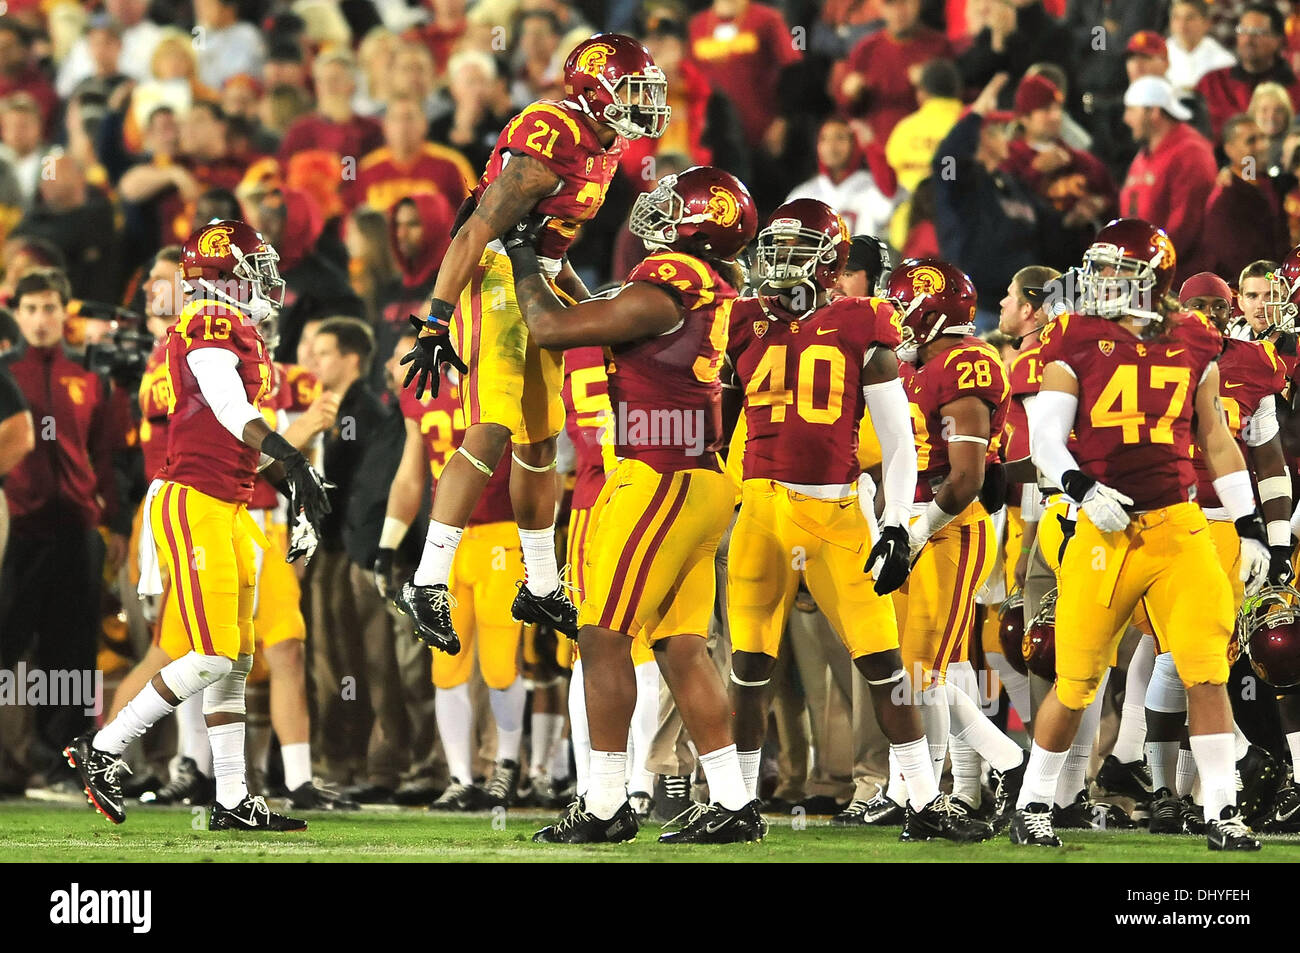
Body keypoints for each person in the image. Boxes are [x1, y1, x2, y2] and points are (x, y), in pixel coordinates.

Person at [723, 198, 992, 842]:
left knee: (884, 664)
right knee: (749, 665)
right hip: (760, 508)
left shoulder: (860, 322)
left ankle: (923, 800)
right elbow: (717, 423)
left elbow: (898, 442)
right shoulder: (740, 320)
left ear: (827, 260)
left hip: (837, 512)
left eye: (797, 248)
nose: (780, 262)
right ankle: (731, 802)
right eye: (776, 247)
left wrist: (898, 522)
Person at [508, 164, 760, 844]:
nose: (659, 212)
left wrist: (522, 254)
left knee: (601, 636)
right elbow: (597, 315)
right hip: (697, 478)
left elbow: (549, 329)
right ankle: (733, 801)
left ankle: (605, 802)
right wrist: (553, 266)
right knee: (681, 647)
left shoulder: (669, 288)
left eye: (677, 204)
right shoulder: (692, 290)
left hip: (659, 478)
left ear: (699, 222)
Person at [394, 35, 668, 654]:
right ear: (595, 89)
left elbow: (549, 244)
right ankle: (428, 579)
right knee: (492, 426)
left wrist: (582, 295)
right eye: (633, 89)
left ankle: (541, 582)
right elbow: (475, 233)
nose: (644, 103)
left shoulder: (603, 147)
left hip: (532, 281)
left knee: (541, 441)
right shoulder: (552, 138)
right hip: (490, 276)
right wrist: (435, 320)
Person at [63, 220, 329, 830]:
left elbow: (235, 438)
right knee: (207, 656)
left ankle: (232, 797)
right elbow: (233, 411)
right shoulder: (208, 323)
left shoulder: (240, 332)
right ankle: (102, 749)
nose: (266, 279)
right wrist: (290, 458)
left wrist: (295, 480)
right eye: (253, 267)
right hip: (193, 501)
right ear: (222, 276)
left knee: (234, 658)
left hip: (231, 503)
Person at [1014, 218, 1267, 851]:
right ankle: (1034, 803)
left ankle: (1221, 811)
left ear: (1152, 281)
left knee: (1206, 670)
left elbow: (1215, 436)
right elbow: (1046, 434)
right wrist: (1078, 487)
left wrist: (1251, 525)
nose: (1098, 282)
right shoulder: (1072, 335)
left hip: (1178, 524)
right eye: (1094, 268)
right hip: (1105, 528)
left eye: (1113, 271)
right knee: (1075, 680)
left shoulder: (1194, 339)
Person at [879, 257, 1030, 824]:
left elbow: (965, 477)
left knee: (923, 672)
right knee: (910, 671)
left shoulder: (967, 361)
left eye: (903, 307)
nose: (896, 319)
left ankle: (926, 800)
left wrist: (914, 533)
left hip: (950, 526)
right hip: (913, 523)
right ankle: (1003, 762)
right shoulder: (919, 364)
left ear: (931, 310)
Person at [0, 268, 129, 785]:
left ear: (65, 312)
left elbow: (107, 457)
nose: (39, 319)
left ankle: (66, 762)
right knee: (6, 647)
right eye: (30, 309)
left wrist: (115, 522)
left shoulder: (92, 377)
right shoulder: (5, 372)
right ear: (18, 313)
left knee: (73, 653)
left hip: (77, 528)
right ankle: (11, 760)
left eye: (49, 307)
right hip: (18, 528)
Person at [1119, 75, 1218, 284]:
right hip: (1144, 275)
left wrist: (1148, 264)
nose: (1125, 119)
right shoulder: (1145, 155)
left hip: (1179, 281)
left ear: (1153, 112)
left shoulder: (1191, 153)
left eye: (1131, 110)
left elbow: (1185, 227)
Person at [833, 0, 951, 146]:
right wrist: (851, 95)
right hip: (877, 145)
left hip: (924, 143)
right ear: (881, 8)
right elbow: (847, 110)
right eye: (891, 4)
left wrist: (930, 82)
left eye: (905, 2)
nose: (899, 11)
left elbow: (953, 102)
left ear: (919, 4)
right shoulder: (866, 49)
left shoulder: (939, 46)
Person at [1195, 114, 1288, 279]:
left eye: (1263, 138)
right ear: (1229, 149)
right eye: (1251, 141)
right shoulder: (1224, 199)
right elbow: (1236, 261)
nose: (1262, 146)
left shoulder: (1270, 184)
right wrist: (1273, 282)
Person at [1196, 3, 1300, 140]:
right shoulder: (1212, 82)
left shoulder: (1295, 90)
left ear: (1278, 40)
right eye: (1243, 30)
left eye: (1258, 32)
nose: (1248, 39)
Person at [783, 117, 899, 240]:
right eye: (824, 139)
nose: (831, 146)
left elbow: (889, 192)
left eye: (839, 138)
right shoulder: (801, 194)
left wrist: (871, 146)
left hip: (861, 258)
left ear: (855, 143)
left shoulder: (873, 185)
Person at [277, 49, 383, 168]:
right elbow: (285, 172)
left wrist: (343, 126)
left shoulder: (372, 130)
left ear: (352, 85)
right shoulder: (301, 131)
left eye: (335, 79)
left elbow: (351, 174)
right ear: (317, 87)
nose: (329, 86)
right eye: (322, 81)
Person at [1167, 0, 1237, 94]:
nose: (1182, 24)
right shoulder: (1157, 56)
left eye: (1190, 18)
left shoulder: (1224, 62)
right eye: (1176, 18)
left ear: (1206, 23)